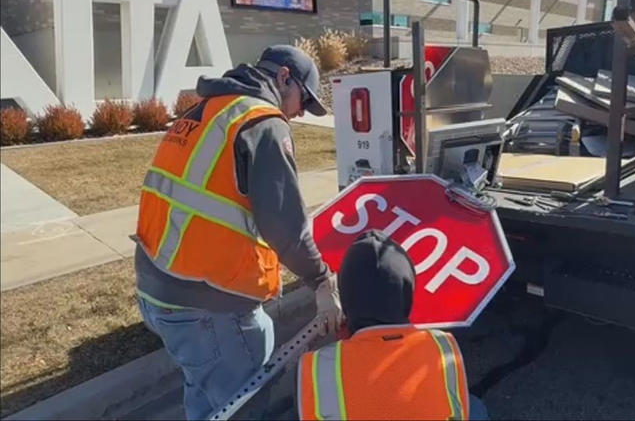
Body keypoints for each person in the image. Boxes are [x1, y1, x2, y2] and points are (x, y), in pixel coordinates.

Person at [133, 45, 342, 420]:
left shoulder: (205, 111)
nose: (297, 113)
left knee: (208, 402)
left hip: (159, 290)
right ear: (282, 78)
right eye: (302, 100)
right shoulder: (263, 122)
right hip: (210, 309)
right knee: (243, 409)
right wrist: (322, 283)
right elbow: (286, 228)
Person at [296, 230, 489, 420]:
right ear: (407, 292)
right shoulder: (443, 343)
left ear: (346, 299)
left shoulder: (317, 364)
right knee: (474, 406)